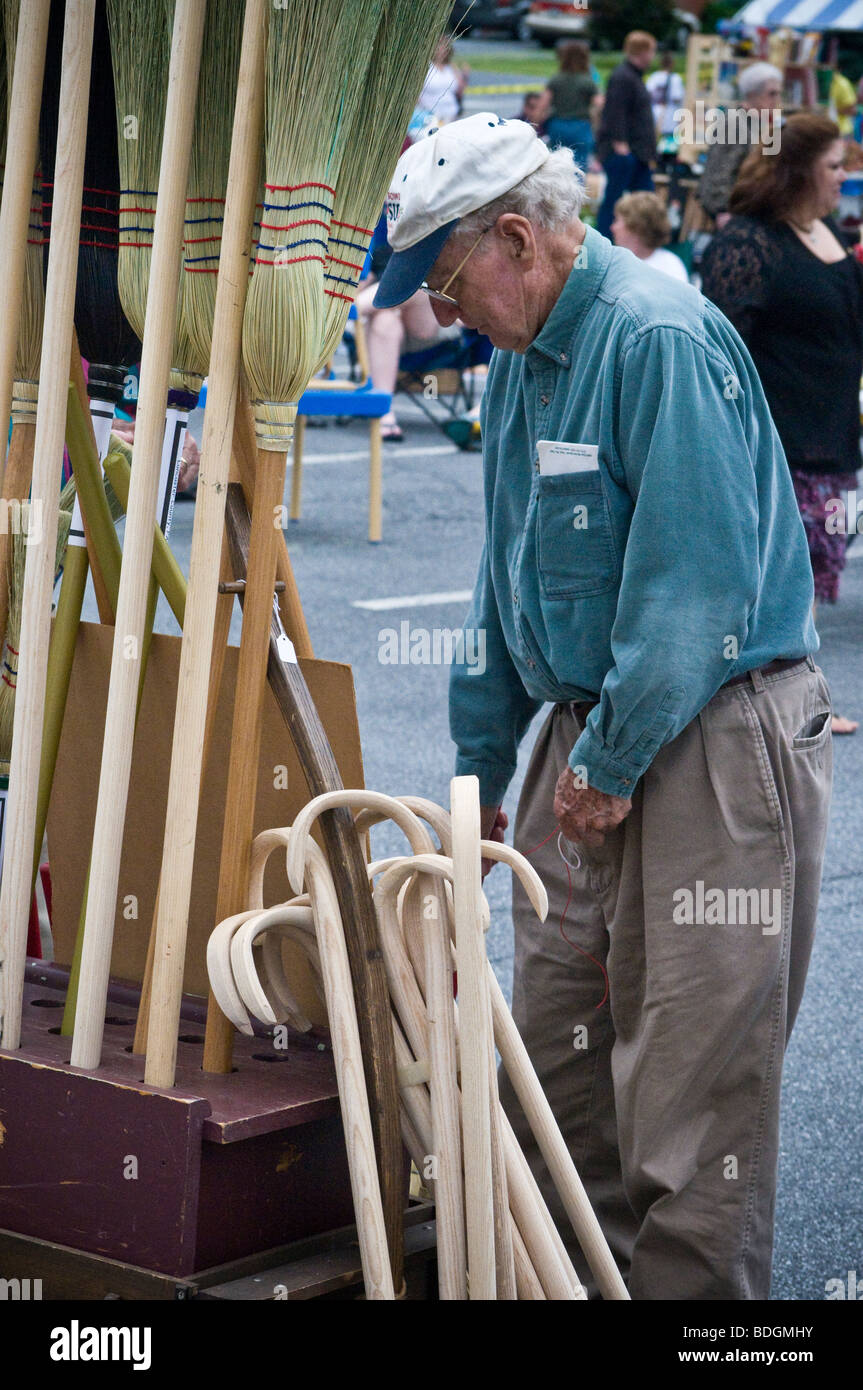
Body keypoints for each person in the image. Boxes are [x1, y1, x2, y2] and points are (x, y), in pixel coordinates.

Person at [373, 113, 832, 1300]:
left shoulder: (651, 336)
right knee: (562, 1078)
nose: (439, 315)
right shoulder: (525, 360)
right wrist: (479, 783)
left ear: (516, 239)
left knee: (690, 1102)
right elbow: (498, 580)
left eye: (444, 281)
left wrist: (613, 761)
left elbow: (691, 586)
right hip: (601, 733)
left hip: (709, 736)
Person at [701, 113, 862, 734]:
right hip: (776, 445)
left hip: (831, 437)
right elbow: (717, 349)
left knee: (812, 580)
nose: (844, 177)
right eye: (834, 166)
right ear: (797, 170)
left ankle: (798, 701)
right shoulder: (748, 242)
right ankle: (774, 709)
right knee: (774, 581)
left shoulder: (827, 233)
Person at [698, 62, 783, 229]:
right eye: (771, 94)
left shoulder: (757, 123)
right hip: (732, 213)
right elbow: (718, 171)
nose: (777, 100)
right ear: (752, 94)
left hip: (748, 210)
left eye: (779, 94)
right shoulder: (735, 123)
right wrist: (721, 211)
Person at [595, 30, 658, 241]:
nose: (653, 56)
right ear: (642, 51)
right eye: (651, 51)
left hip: (637, 152)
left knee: (644, 201)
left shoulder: (632, 76)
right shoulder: (623, 77)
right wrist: (620, 144)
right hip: (625, 152)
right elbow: (615, 111)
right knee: (614, 201)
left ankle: (641, 241)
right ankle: (605, 240)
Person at [535, 40, 599, 172]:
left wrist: (534, 125)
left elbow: (542, 105)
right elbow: (599, 104)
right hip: (581, 126)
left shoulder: (556, 79)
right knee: (579, 166)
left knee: (557, 165)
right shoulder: (587, 81)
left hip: (558, 125)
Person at [611, 191, 688, 281]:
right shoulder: (614, 262)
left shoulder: (670, 267)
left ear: (635, 227)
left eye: (617, 221)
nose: (613, 227)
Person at [417, 35, 469, 128]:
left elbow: (459, 91)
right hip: (429, 117)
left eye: (445, 46)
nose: (442, 49)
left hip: (452, 115)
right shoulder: (424, 68)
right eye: (439, 46)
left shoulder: (451, 67)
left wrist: (465, 76)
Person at [645, 49, 684, 169]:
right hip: (669, 116)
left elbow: (647, 95)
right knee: (669, 148)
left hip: (655, 113)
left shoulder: (654, 77)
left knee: (656, 145)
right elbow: (677, 97)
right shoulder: (675, 78)